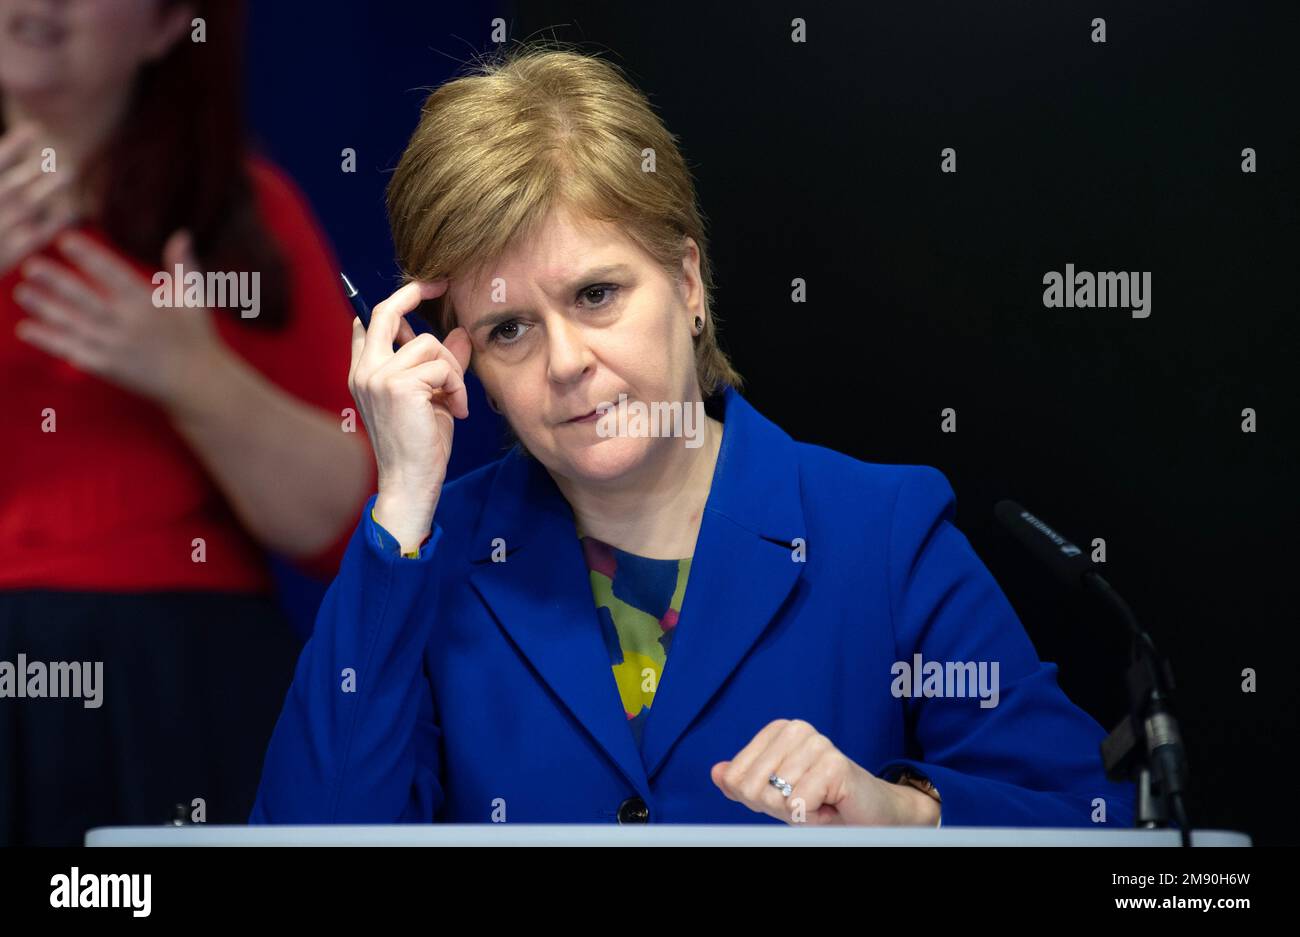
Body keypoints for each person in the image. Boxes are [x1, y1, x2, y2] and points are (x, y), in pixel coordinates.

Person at [251, 46, 1135, 827]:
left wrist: (905, 812)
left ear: (687, 281)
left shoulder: (884, 531)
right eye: (509, 328)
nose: (565, 362)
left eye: (597, 295)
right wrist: (403, 503)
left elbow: (1090, 817)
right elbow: (314, 835)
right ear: (459, 356)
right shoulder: (427, 565)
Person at [0, 0, 374, 844]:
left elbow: (341, 522)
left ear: (168, 26)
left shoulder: (238, 217)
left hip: (180, 687)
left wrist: (193, 376)